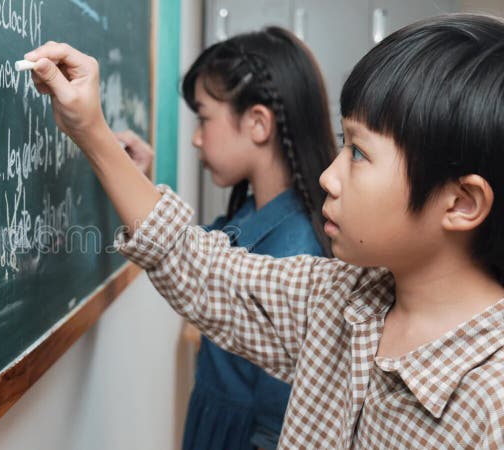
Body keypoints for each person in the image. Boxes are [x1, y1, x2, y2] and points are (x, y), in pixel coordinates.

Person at [25, 13, 504, 448]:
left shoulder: (490, 407)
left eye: (359, 153)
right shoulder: (339, 300)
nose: (329, 177)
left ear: (461, 202)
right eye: (343, 142)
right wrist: (91, 130)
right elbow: (194, 265)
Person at [115, 26, 336, 450]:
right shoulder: (254, 212)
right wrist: (137, 181)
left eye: (203, 118)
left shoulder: (297, 253)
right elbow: (191, 254)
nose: (196, 138)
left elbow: (279, 425)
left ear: (258, 123)